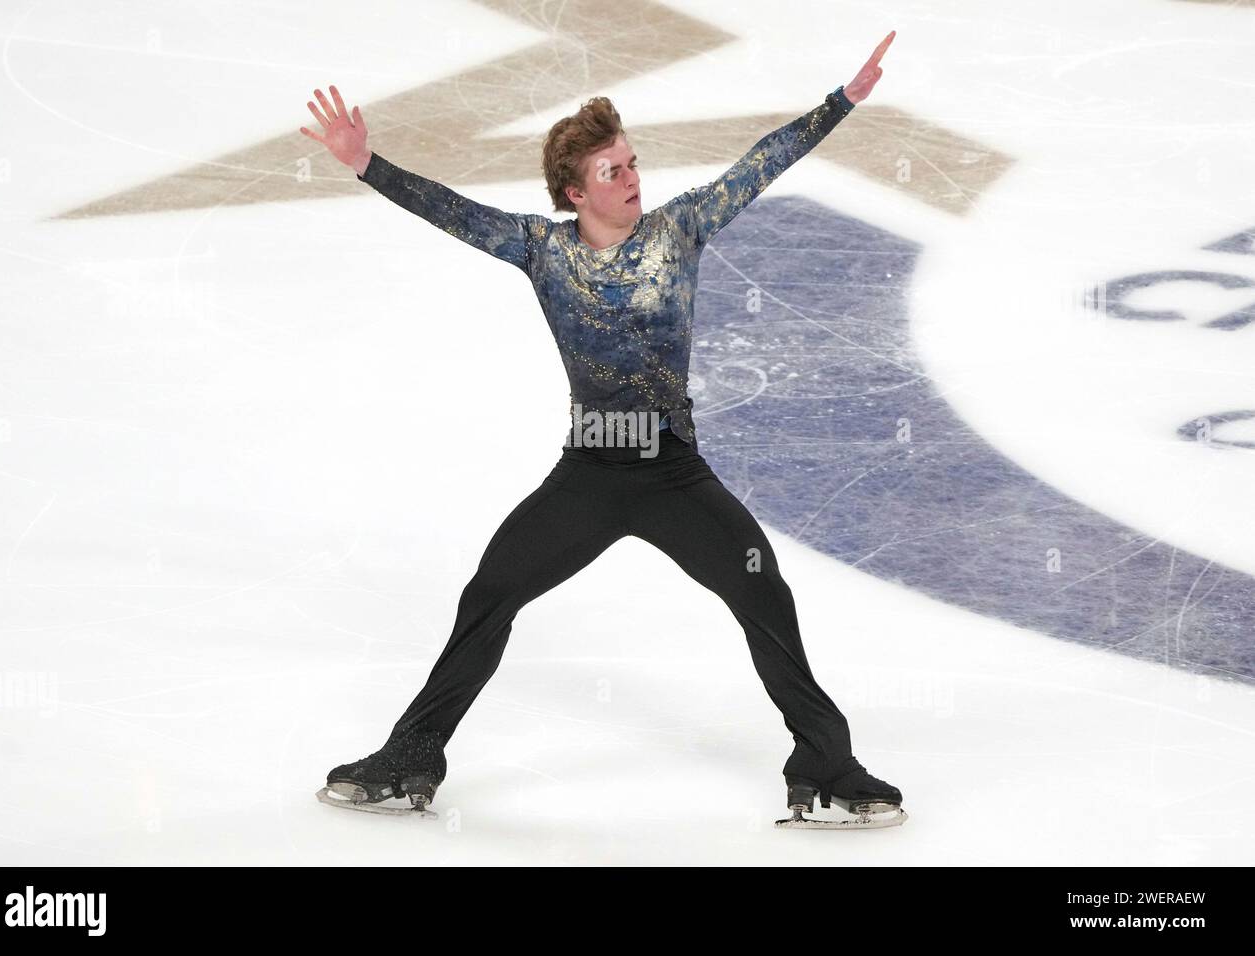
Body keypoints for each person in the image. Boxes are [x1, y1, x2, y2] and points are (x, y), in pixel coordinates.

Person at [301, 31, 906, 828]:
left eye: (631, 163)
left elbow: (760, 164)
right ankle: (411, 756)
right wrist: (366, 165)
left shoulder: (679, 230)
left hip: (674, 476)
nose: (631, 179)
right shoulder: (540, 250)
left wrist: (841, 101)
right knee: (490, 594)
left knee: (764, 591)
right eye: (611, 171)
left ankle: (826, 764)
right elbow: (453, 211)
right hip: (587, 477)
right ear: (574, 192)